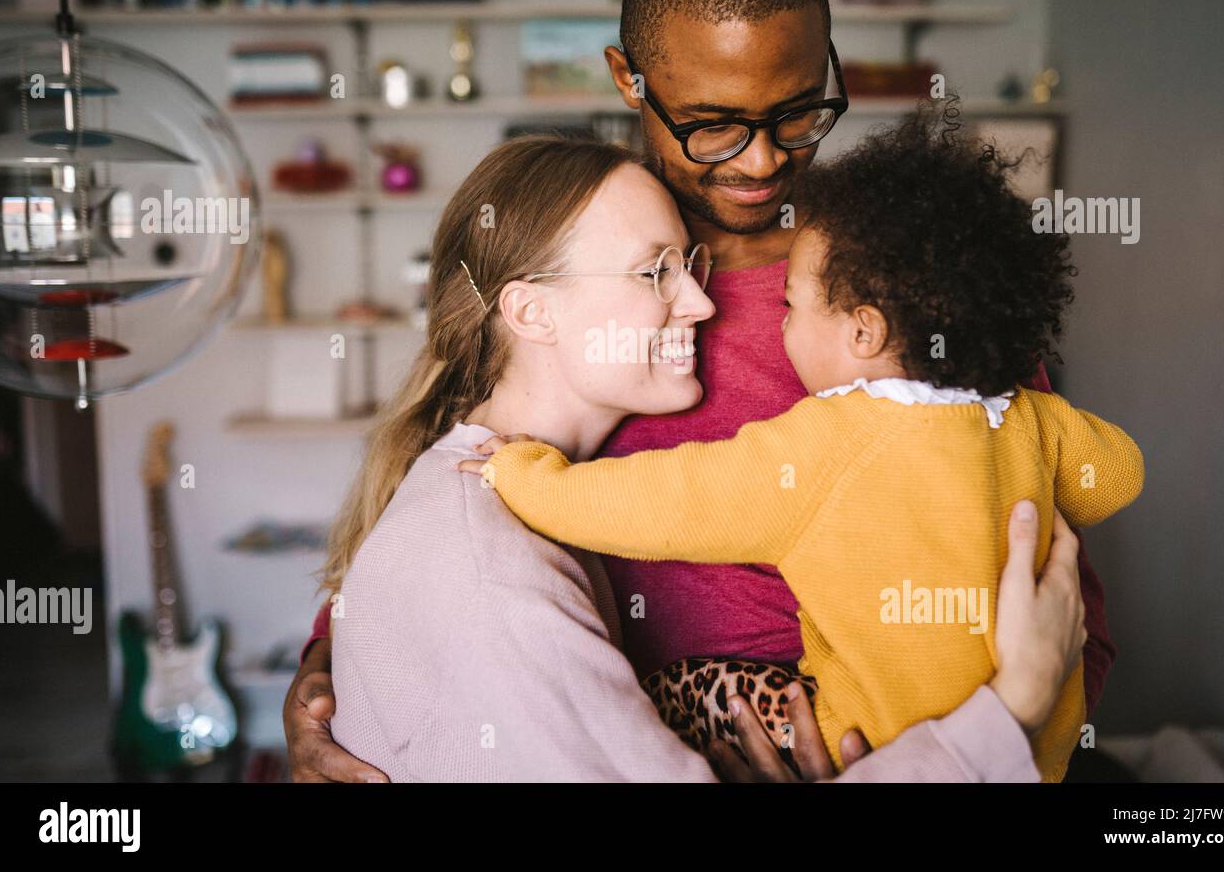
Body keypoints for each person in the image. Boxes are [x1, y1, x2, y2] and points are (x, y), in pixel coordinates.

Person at [284, 0, 1114, 780]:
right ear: (628, 79)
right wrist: (327, 685)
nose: (760, 159)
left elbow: (1066, 626)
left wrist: (920, 744)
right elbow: (443, 513)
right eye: (712, 123)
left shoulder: (915, 280)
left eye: (797, 113)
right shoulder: (587, 271)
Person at [318, 133, 1084, 782]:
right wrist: (1012, 707)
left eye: (691, 265)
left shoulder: (495, 502)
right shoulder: (489, 574)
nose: (702, 304)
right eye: (655, 273)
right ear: (531, 310)